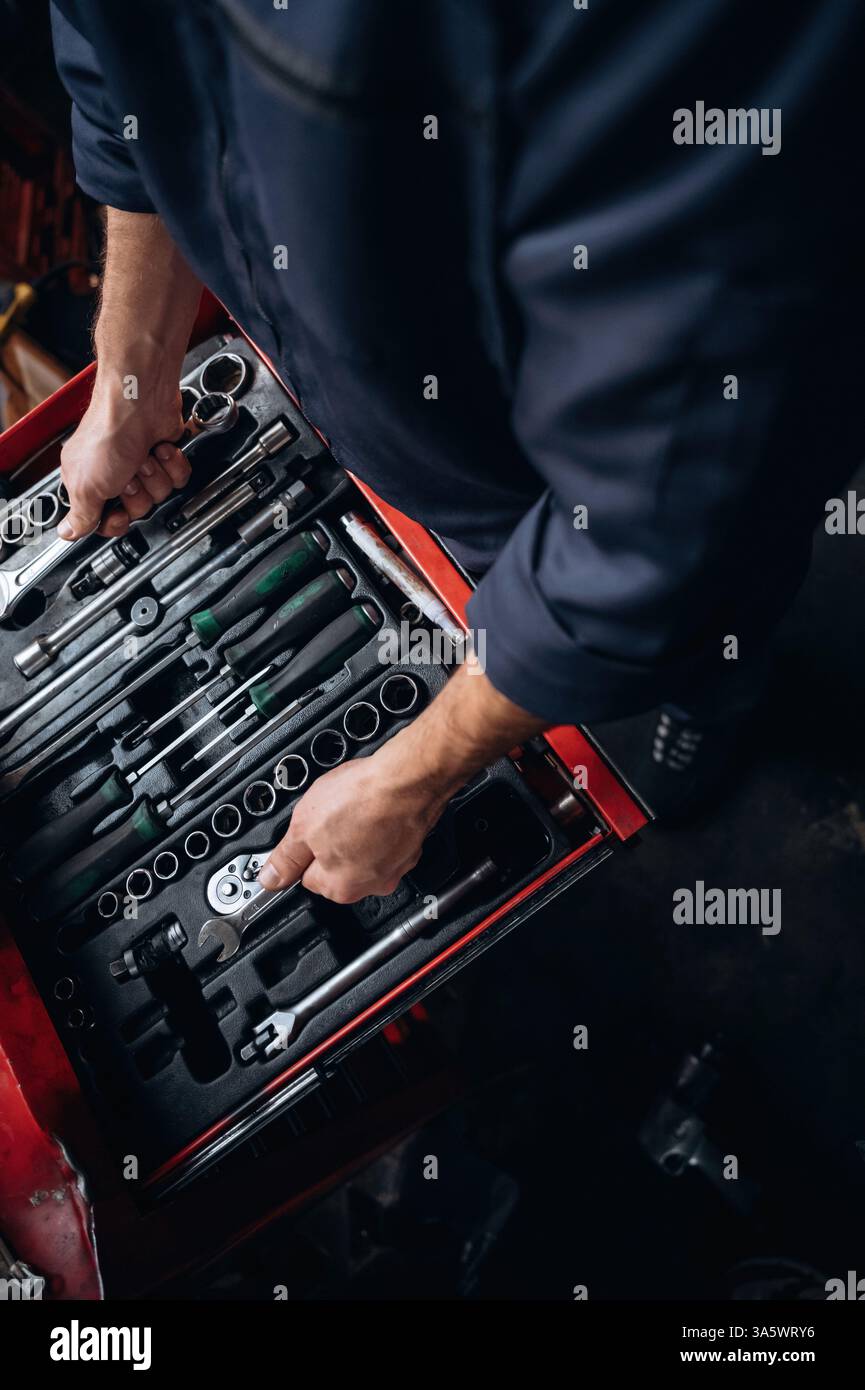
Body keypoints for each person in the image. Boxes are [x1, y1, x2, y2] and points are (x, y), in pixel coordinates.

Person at [48, 1, 864, 901]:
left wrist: (411, 781)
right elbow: (118, 89)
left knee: (702, 628)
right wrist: (132, 375)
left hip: (592, 499)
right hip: (432, 464)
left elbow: (669, 525)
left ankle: (712, 696)